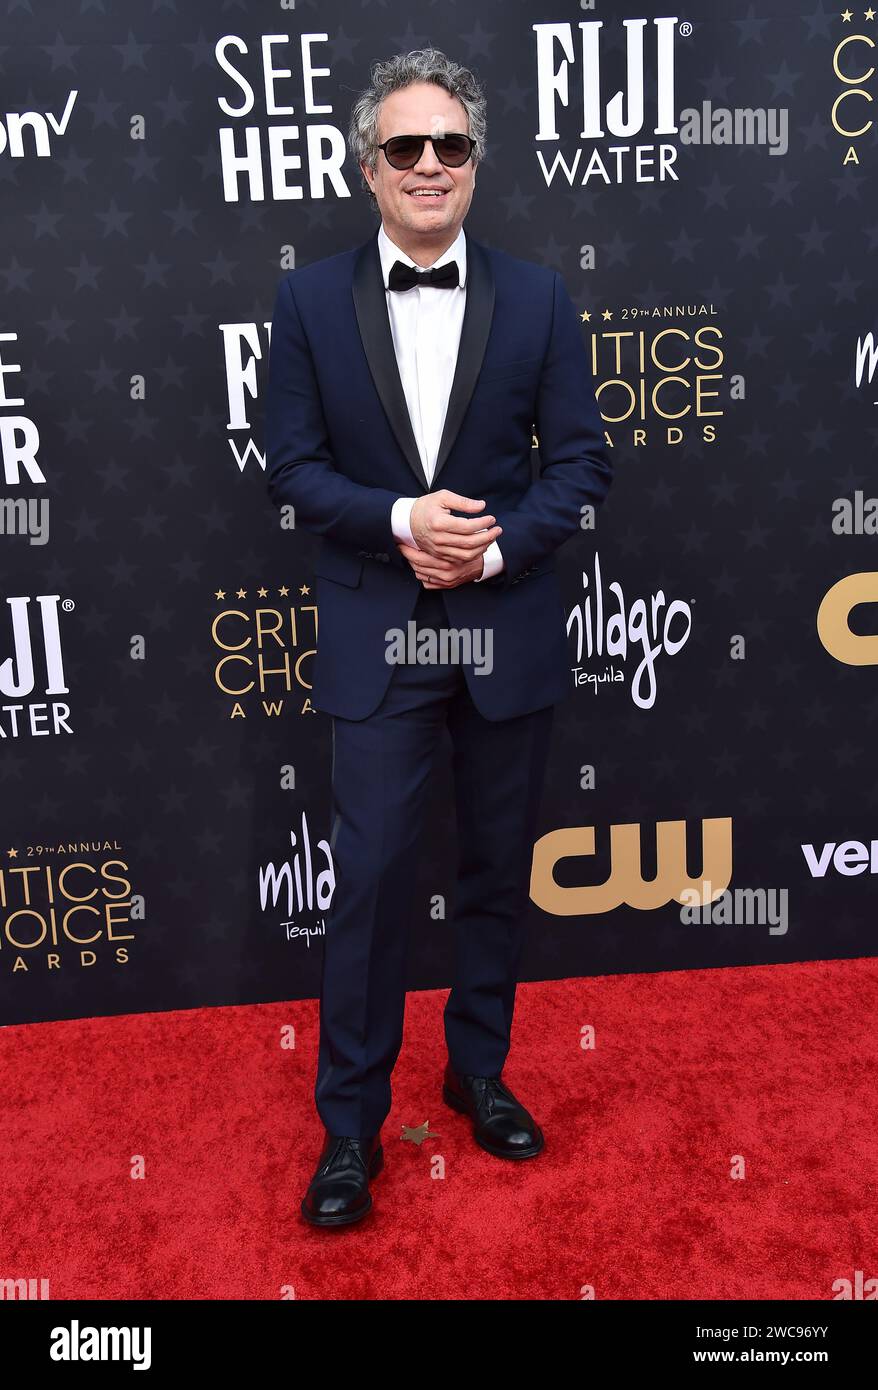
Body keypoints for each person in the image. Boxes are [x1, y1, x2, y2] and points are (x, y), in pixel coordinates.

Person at [265, 47, 612, 1227]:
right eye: (404, 147)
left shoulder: (539, 294)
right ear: (367, 167)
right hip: (377, 630)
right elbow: (293, 468)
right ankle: (350, 1131)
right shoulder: (308, 300)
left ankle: (477, 1073)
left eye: (449, 145)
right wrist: (402, 520)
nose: (428, 165)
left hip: (502, 627)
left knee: (491, 868)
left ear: (475, 165)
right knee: (366, 879)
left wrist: (495, 547)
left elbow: (579, 463)